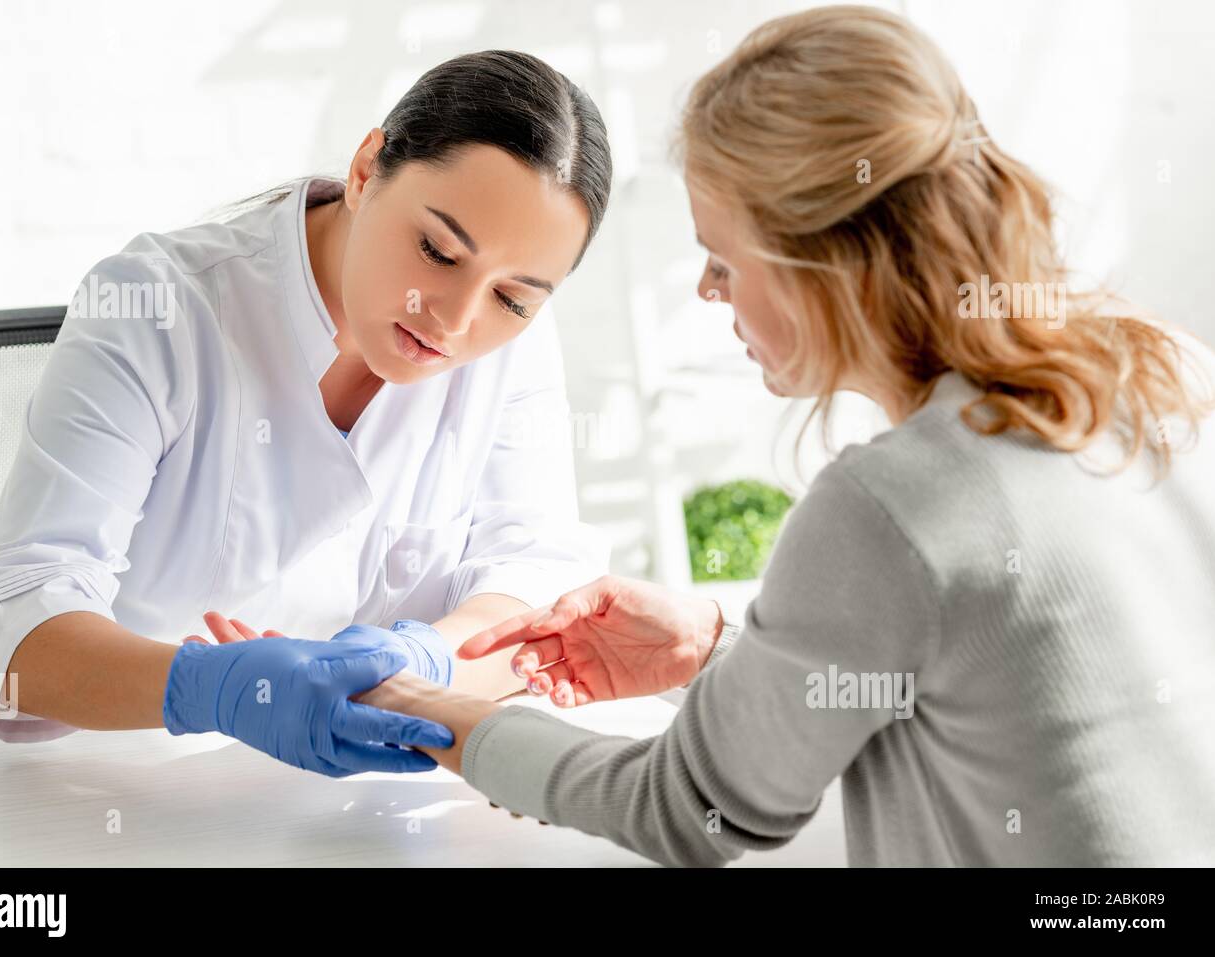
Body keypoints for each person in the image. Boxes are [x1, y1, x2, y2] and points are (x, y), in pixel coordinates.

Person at [269, 6, 1215, 863]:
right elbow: (965, 673)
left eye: (723, 259)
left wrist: (426, 712)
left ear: (814, 259)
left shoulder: (891, 505)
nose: (707, 292)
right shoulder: (1167, 374)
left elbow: (693, 808)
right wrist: (716, 647)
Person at [0, 50, 613, 778]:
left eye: (513, 298)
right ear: (366, 170)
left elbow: (536, 575)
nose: (456, 319)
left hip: (379, 796)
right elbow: (17, 602)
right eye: (437, 250)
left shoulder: (514, 345)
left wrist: (421, 657)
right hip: (127, 785)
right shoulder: (157, 308)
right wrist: (208, 691)